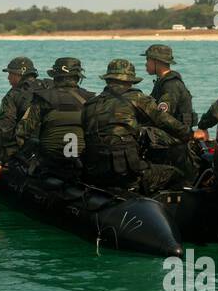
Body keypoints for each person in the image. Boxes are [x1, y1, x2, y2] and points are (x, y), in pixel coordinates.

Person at [82, 58, 191, 193]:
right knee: (177, 174)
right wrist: (189, 134)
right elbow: (165, 122)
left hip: (94, 172)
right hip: (127, 174)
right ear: (129, 81)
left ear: (107, 80)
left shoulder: (90, 104)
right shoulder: (137, 98)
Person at [14, 57, 94, 178]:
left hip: (49, 160)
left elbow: (22, 131)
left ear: (55, 77)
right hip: (80, 160)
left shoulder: (43, 98)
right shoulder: (90, 99)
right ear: (78, 77)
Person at [143, 44, 197, 185]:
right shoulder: (164, 82)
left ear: (156, 62)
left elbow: (161, 117)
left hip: (175, 143)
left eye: (148, 60)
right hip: (177, 140)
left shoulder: (170, 86)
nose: (145, 64)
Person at [0, 56, 50, 161]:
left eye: (10, 74)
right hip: (51, 145)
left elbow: (6, 128)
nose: (8, 78)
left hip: (27, 149)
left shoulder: (13, 95)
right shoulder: (48, 86)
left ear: (19, 75)